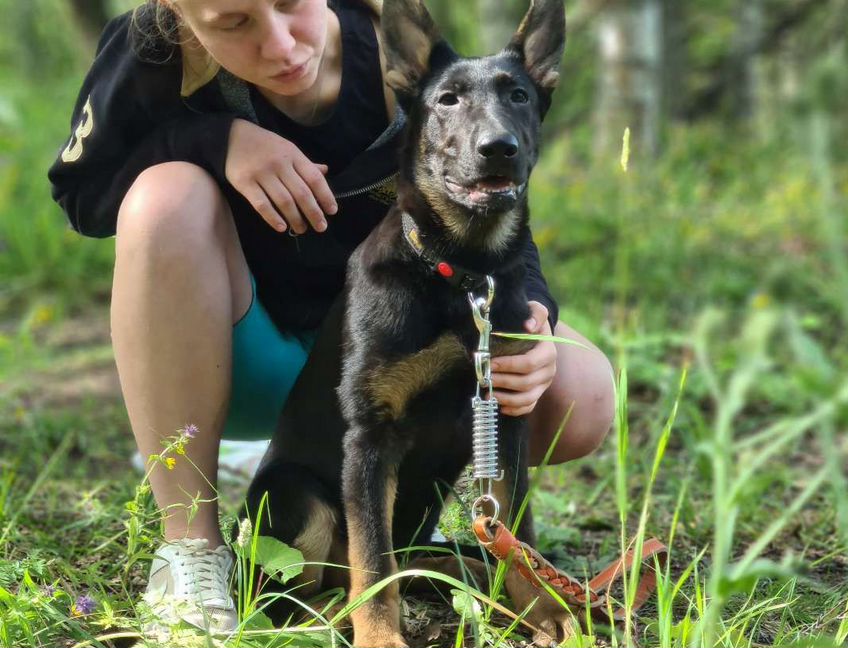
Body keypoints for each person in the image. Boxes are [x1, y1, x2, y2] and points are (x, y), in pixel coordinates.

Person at [48, 0, 615, 634]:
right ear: (185, 17)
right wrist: (214, 143)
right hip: (239, 351)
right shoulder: (152, 49)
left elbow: (491, 201)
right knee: (165, 197)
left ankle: (397, 525)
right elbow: (81, 194)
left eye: (291, 5)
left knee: (583, 390)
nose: (282, 45)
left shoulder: (397, 52)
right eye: (234, 23)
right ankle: (191, 547)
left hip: (400, 332)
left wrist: (531, 317)